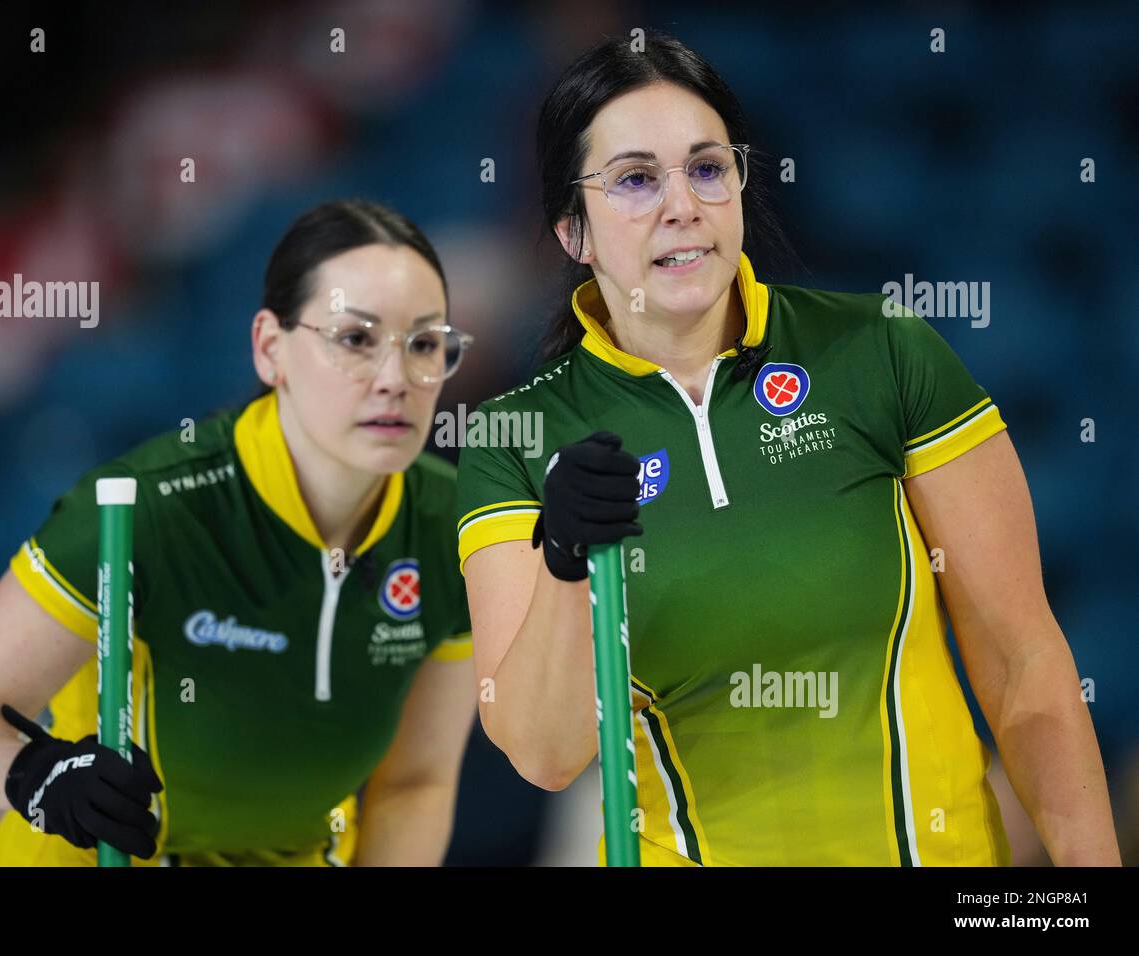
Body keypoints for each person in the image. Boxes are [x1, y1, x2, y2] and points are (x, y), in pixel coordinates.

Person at [455, 33, 1120, 866]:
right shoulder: (516, 438)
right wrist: (562, 562)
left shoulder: (880, 350)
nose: (681, 205)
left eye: (706, 168)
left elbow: (1022, 658)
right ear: (571, 230)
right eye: (633, 179)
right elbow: (546, 756)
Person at [0, 199, 478, 866]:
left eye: (427, 344)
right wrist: (38, 776)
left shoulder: (448, 525)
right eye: (355, 339)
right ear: (270, 349)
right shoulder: (143, 508)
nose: (396, 379)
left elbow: (415, 784)